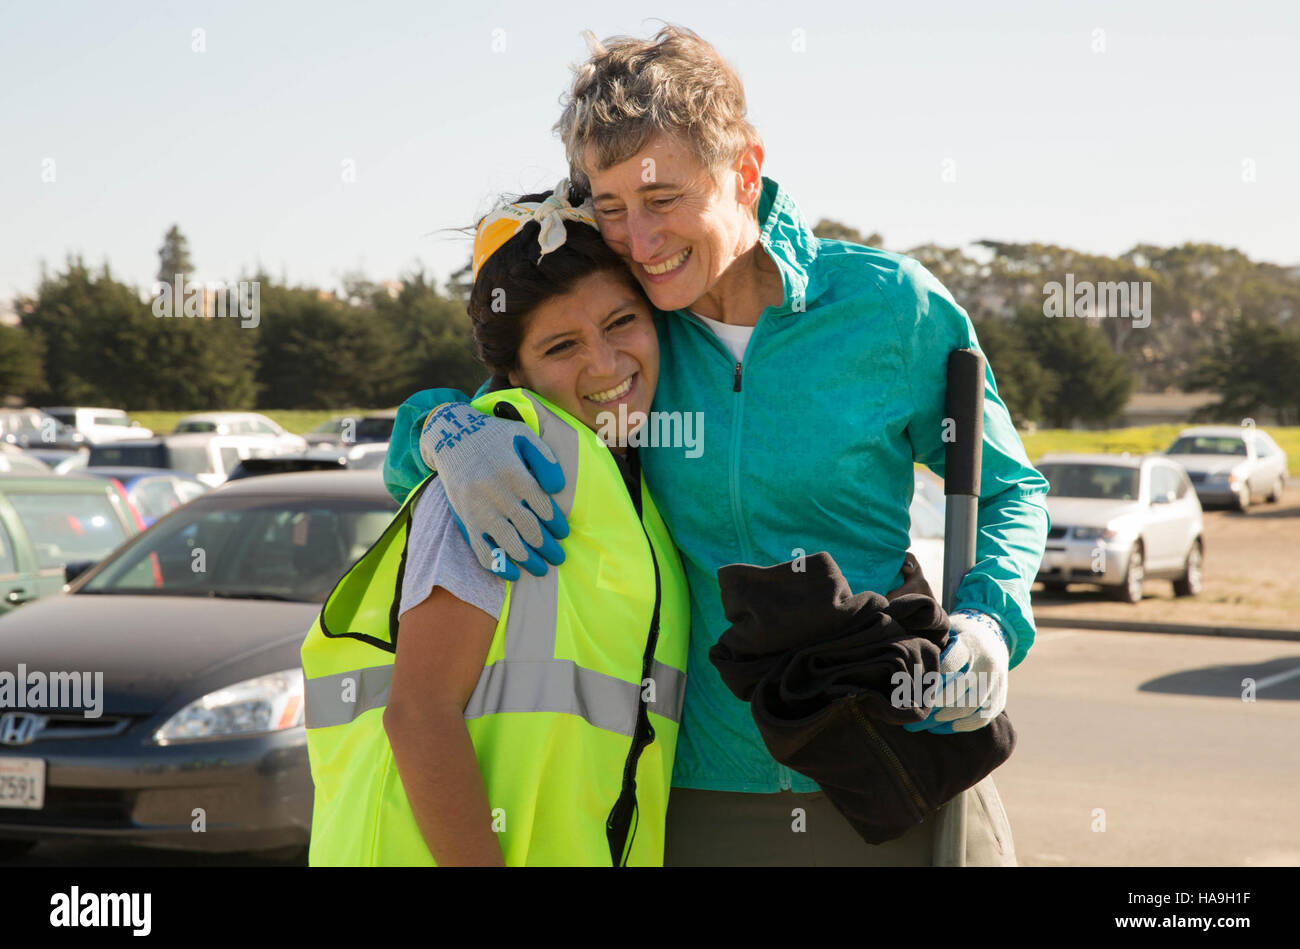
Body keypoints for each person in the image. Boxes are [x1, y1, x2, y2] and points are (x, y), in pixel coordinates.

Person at [382, 25, 1049, 866]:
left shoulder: (892, 308)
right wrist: (443, 431)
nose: (641, 242)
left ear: (745, 169)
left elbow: (1008, 489)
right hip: (698, 791)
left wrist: (991, 618)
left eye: (662, 200)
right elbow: (446, 439)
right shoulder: (626, 334)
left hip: (896, 766)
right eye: (610, 208)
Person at [300, 182, 692, 865]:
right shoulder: (492, 474)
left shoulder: (637, 493)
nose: (604, 364)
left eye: (621, 322)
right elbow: (419, 716)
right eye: (562, 345)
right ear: (514, 370)